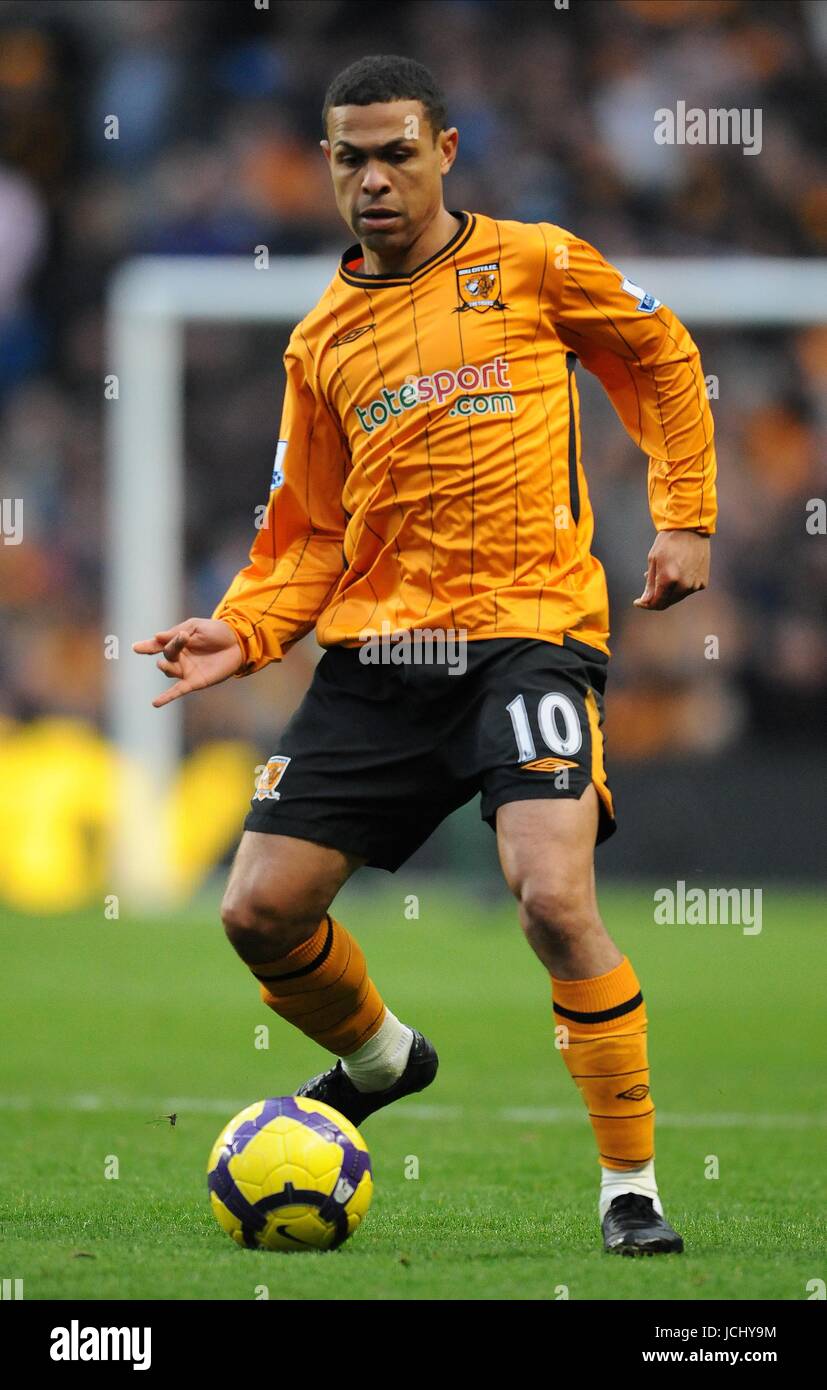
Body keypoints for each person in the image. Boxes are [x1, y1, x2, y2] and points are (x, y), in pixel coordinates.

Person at [134, 54, 715, 1256]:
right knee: (256, 914)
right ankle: (383, 1057)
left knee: (551, 898)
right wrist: (238, 631)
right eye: (350, 157)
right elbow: (307, 535)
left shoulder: (535, 263)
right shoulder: (322, 342)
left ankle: (628, 1187)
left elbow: (657, 353)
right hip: (380, 657)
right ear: (326, 169)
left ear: (444, 152)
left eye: (397, 151)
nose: (374, 179)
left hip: (528, 635)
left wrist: (684, 513)